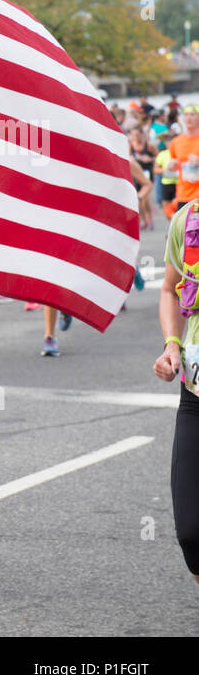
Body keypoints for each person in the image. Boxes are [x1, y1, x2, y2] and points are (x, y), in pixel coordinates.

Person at [153, 192, 199, 586]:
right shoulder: (187, 220)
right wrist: (172, 344)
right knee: (192, 534)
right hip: (196, 395)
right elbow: (170, 287)